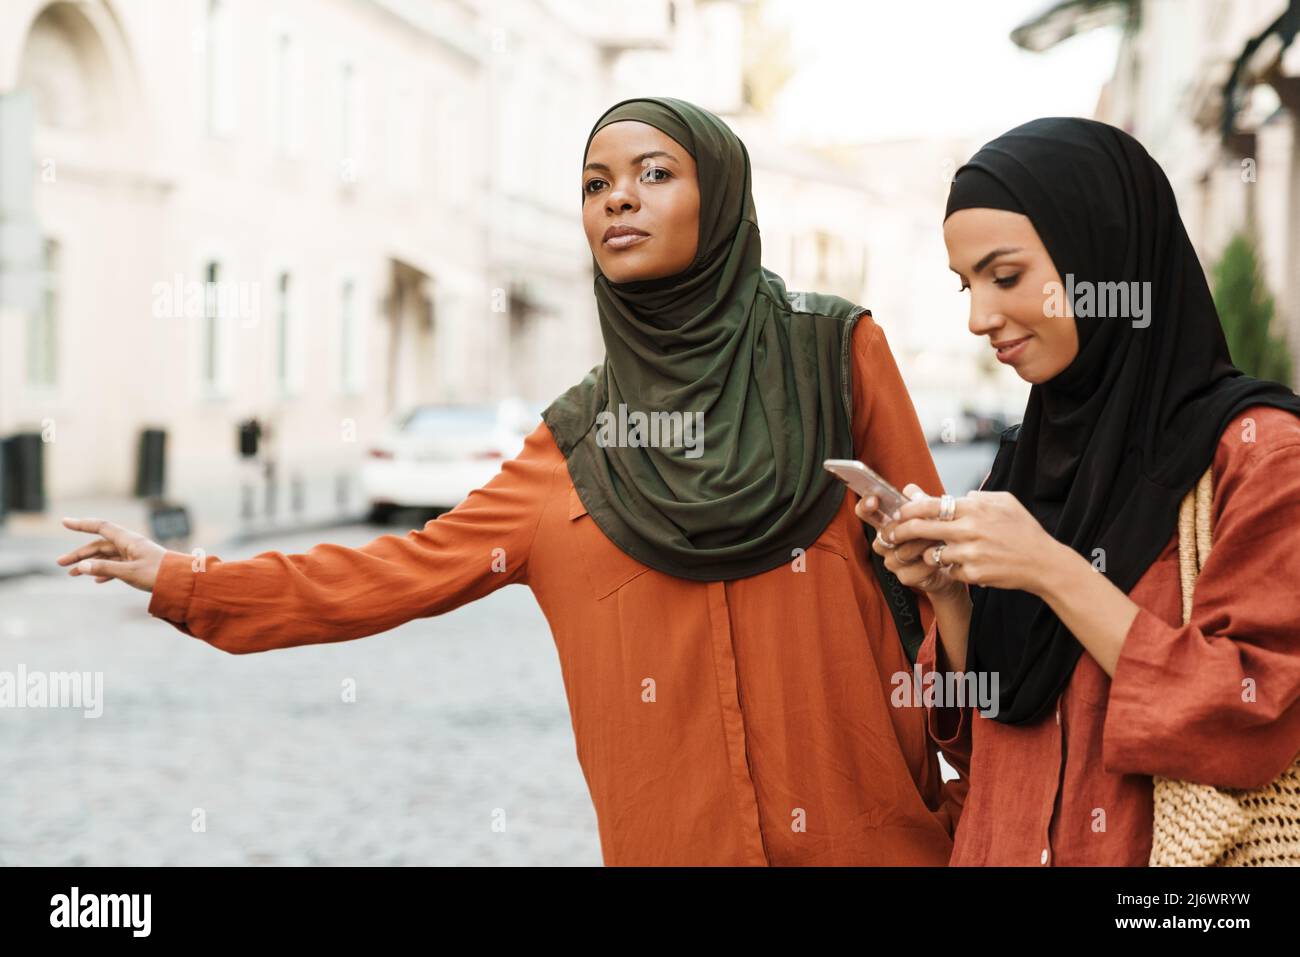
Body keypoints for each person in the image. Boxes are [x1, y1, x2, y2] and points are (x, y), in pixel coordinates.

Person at [58, 96, 960, 866]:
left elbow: (947, 583)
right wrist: (186, 578)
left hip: (875, 841)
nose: (618, 202)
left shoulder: (833, 357)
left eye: (653, 174)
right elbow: (398, 573)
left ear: (719, 195)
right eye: (595, 185)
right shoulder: (570, 447)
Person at [858, 116, 1300, 865]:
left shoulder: (1255, 457)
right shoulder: (1026, 464)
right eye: (967, 285)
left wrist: (1049, 569)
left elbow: (1248, 716)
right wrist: (951, 593)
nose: (978, 317)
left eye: (1005, 276)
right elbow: (987, 733)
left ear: (1104, 255)